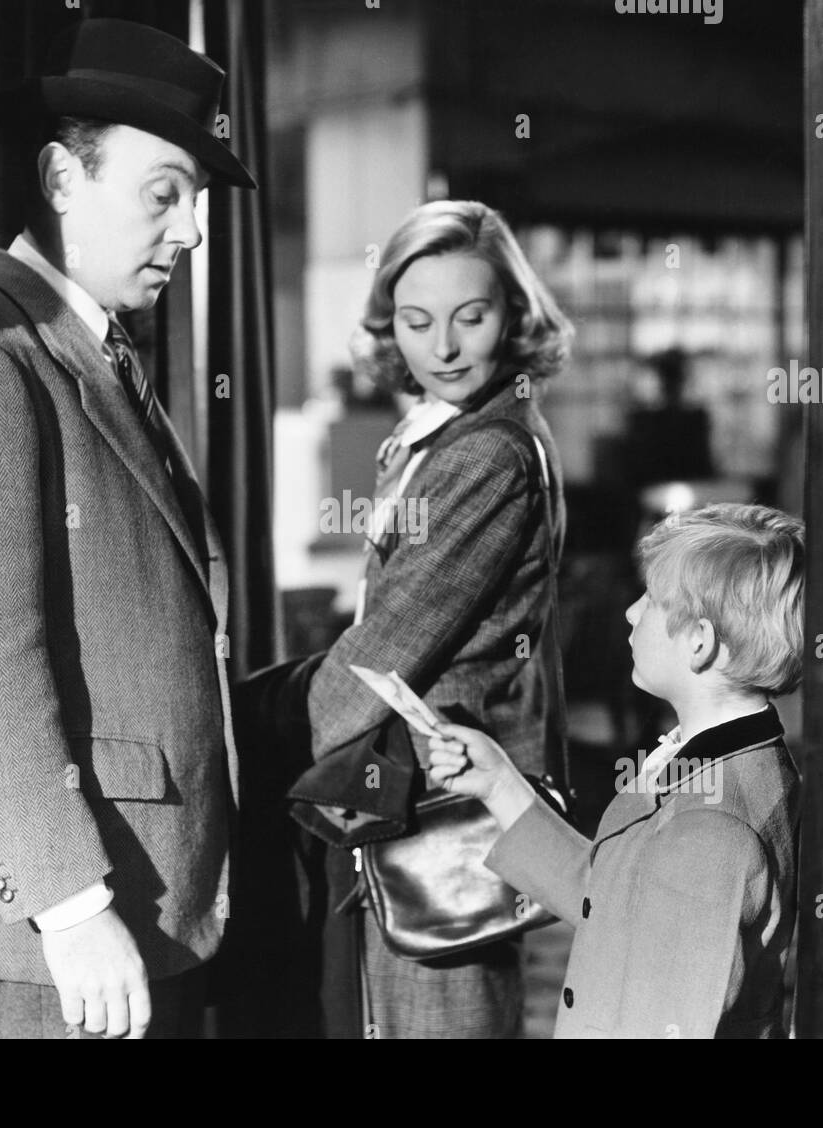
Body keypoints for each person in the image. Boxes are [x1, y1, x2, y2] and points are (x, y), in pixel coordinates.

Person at [0, 19, 255, 1039]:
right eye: (164, 194)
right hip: (65, 934)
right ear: (60, 176)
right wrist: (70, 905)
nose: (191, 232)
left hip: (138, 903)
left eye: (198, 202)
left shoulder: (86, 353)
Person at [277, 200, 573, 1037]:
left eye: (470, 318)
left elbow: (391, 643)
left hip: (444, 812)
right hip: (420, 796)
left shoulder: (486, 452)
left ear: (514, 317)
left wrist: (261, 740)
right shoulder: (446, 432)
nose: (441, 348)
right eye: (415, 321)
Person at [428, 503, 804, 1037]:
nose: (631, 612)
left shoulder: (712, 831)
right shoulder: (723, 762)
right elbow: (608, 897)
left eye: (650, 599)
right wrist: (497, 783)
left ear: (699, 642)